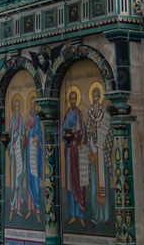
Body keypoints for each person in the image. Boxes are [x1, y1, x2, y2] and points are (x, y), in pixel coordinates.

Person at [85, 85, 112, 226]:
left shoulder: (104, 113)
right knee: (95, 189)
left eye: (97, 97)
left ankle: (106, 216)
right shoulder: (90, 114)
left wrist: (106, 143)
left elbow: (110, 131)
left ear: (100, 98)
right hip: (94, 154)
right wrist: (89, 133)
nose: (95, 99)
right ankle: (95, 216)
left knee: (104, 186)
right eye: (93, 97)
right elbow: (86, 132)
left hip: (102, 153)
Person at [61, 88, 87, 227]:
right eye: (70, 99)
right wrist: (67, 139)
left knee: (79, 183)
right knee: (70, 183)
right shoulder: (66, 114)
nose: (72, 101)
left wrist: (80, 141)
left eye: (73, 99)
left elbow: (83, 132)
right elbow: (62, 132)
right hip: (69, 152)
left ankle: (81, 214)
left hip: (77, 151)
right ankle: (72, 214)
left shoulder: (78, 114)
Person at [24, 96, 44, 222]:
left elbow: (41, 133)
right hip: (28, 151)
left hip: (35, 151)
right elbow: (25, 134)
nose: (32, 106)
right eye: (31, 104)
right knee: (29, 179)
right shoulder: (28, 118)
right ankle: (30, 209)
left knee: (35, 179)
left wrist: (38, 138)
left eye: (34, 104)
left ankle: (37, 208)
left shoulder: (38, 117)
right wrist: (26, 133)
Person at [8, 96, 26, 220]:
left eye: (18, 107)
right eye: (15, 107)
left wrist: (21, 137)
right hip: (13, 155)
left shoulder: (21, 120)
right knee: (13, 181)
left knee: (19, 180)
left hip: (20, 155)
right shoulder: (12, 122)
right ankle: (12, 208)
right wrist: (12, 145)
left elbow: (24, 137)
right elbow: (8, 138)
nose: (17, 109)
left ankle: (18, 208)